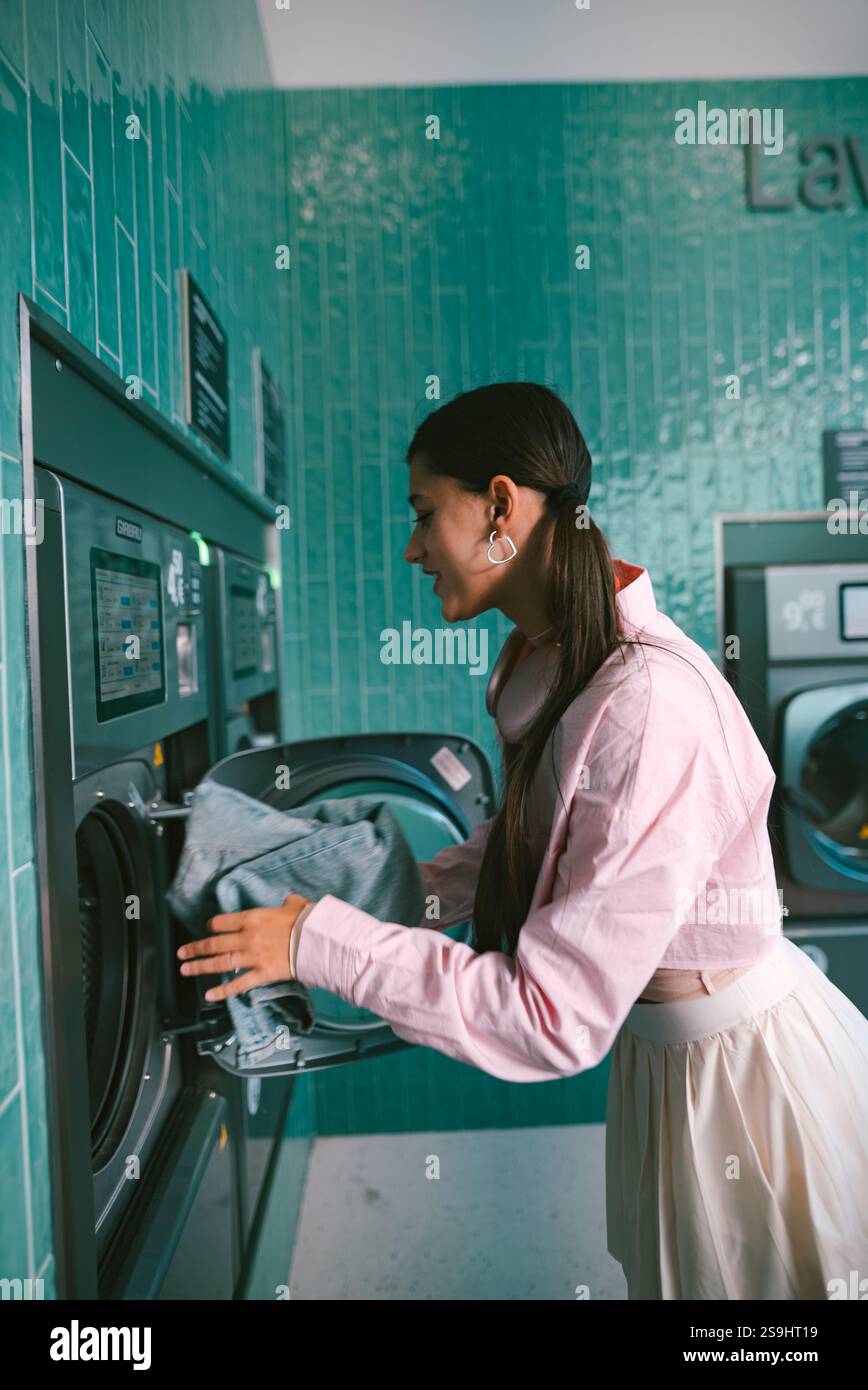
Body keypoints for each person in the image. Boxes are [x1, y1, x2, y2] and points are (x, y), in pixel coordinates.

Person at [177, 382, 868, 1300]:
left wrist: (320, 941)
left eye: (426, 514)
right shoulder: (546, 658)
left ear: (499, 505)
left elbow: (555, 1016)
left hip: (747, 1082)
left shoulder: (643, 706)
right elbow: (530, 842)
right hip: (670, 1061)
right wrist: (349, 895)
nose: (413, 547)